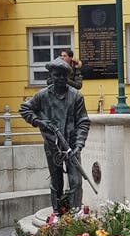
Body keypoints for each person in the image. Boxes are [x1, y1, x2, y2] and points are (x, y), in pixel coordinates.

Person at [20, 57, 90, 212]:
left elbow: (83, 122)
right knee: (56, 181)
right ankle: (57, 213)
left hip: (71, 146)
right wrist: (39, 122)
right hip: (52, 146)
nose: (60, 78)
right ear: (51, 76)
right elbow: (25, 109)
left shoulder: (76, 96)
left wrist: (79, 145)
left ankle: (75, 214)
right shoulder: (42, 95)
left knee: (76, 181)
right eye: (57, 75)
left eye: (64, 75)